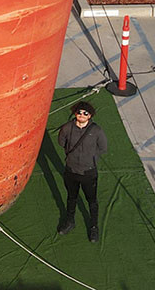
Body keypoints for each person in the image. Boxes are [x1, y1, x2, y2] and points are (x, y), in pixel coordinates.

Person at [56, 100, 107, 242]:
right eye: (79, 112)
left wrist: (91, 160)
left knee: (92, 200)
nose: (82, 115)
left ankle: (94, 227)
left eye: (85, 113)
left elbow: (103, 147)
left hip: (88, 172)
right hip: (71, 170)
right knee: (71, 197)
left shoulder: (96, 130)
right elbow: (61, 142)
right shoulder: (67, 128)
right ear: (75, 113)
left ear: (90, 115)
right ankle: (70, 221)